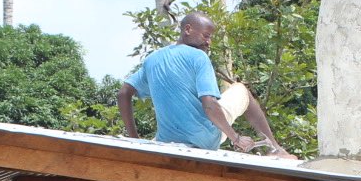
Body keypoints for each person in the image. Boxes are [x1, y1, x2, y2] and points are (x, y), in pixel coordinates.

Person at [117, 12, 295, 159]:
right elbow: (209, 104)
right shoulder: (198, 57)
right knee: (242, 91)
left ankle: (273, 148)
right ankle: (274, 149)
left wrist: (136, 140)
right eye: (206, 36)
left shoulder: (152, 60)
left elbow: (123, 93)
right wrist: (236, 138)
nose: (209, 42)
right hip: (205, 139)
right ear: (187, 29)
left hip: (168, 143)